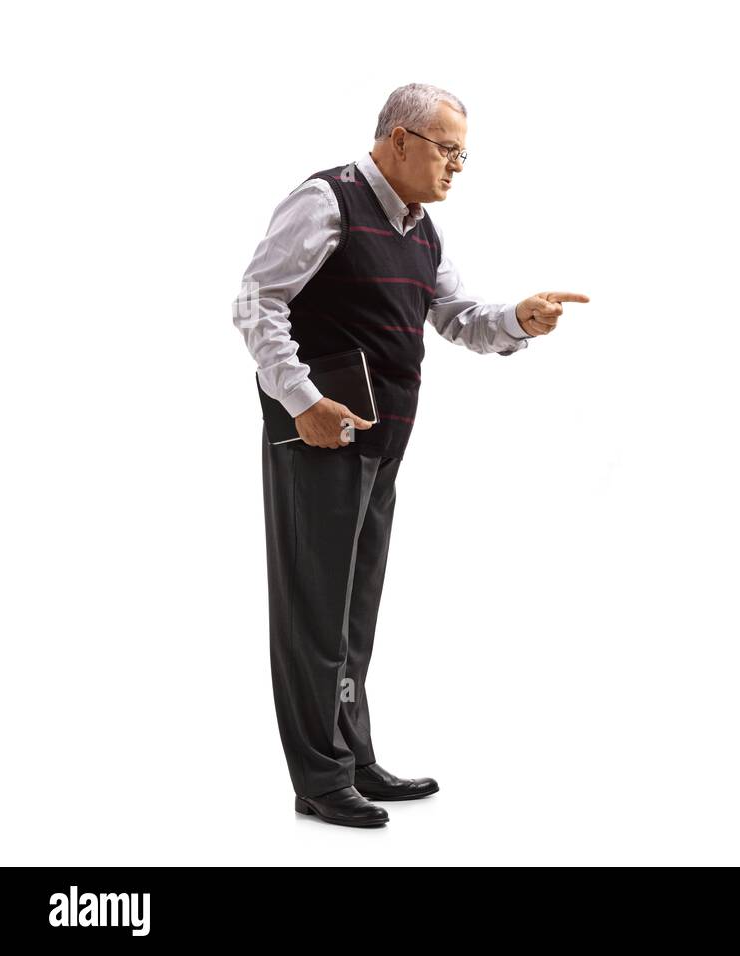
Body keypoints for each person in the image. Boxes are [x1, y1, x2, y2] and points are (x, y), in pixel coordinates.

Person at [232, 82, 589, 828]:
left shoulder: (421, 230)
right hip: (319, 442)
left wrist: (519, 318)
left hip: (380, 447)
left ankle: (354, 759)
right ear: (400, 140)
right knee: (313, 615)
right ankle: (320, 779)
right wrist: (301, 400)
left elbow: (457, 317)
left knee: (352, 616)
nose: (458, 166)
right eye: (448, 150)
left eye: (464, 154)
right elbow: (256, 301)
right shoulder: (327, 200)